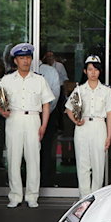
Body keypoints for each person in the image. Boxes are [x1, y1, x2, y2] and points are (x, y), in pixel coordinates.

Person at [0, 43, 54, 207]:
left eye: (28, 58)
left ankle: (32, 195)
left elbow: (46, 104)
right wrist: (1, 111)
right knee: (13, 158)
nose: (25, 61)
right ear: (15, 60)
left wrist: (44, 125)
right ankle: (15, 195)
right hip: (14, 118)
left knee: (33, 158)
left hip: (33, 118)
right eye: (22, 58)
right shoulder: (7, 80)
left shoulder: (40, 80)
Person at [68, 55, 111, 196]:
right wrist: (75, 121)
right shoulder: (79, 90)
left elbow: (110, 115)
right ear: (85, 71)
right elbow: (69, 109)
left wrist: (109, 136)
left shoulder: (106, 91)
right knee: (83, 164)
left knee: (98, 165)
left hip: (99, 126)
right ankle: (83, 197)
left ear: (100, 71)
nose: (93, 72)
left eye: (96, 69)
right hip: (83, 127)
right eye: (90, 69)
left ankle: (96, 197)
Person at [36, 46, 64, 181]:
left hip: (36, 115)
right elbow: (55, 94)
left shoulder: (51, 71)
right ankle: (45, 175)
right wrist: (47, 112)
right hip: (47, 114)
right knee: (45, 146)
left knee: (35, 147)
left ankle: (39, 176)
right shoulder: (51, 71)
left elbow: (55, 94)